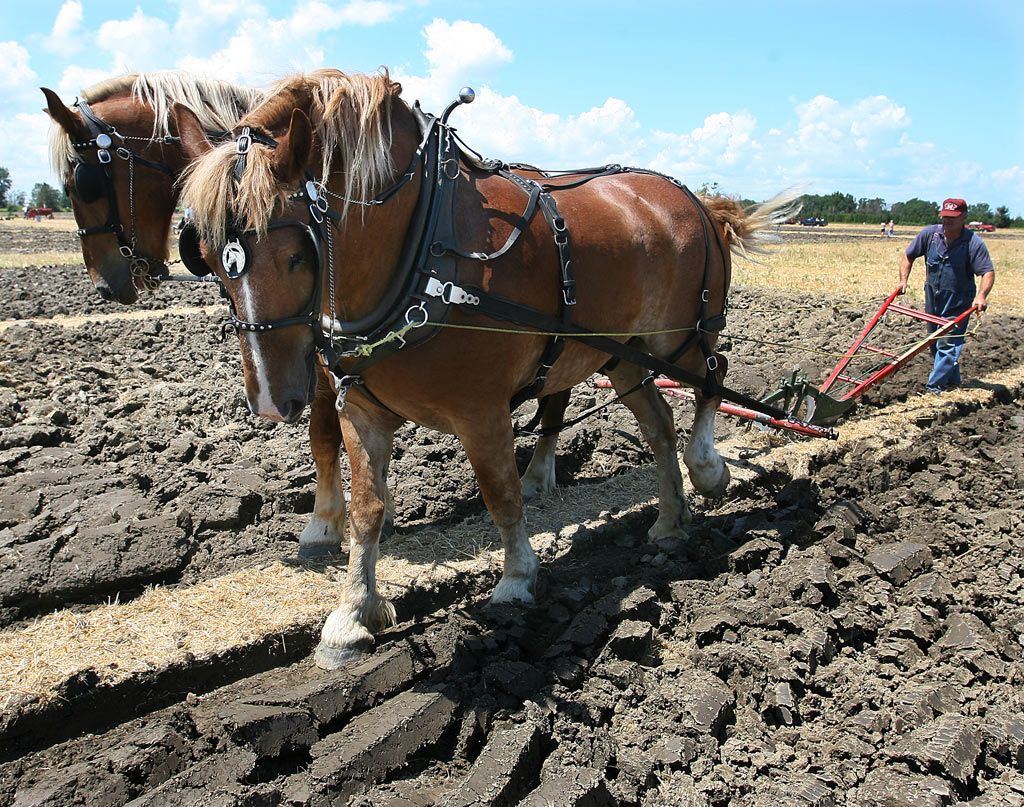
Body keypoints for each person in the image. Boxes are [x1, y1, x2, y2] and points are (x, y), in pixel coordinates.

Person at [897, 198, 995, 393]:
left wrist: (982, 295)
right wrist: (903, 280)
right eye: (945, 217)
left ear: (964, 217)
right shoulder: (929, 235)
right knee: (934, 339)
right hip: (933, 295)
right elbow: (909, 256)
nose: (948, 221)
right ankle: (952, 380)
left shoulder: (973, 243)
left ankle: (934, 388)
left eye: (953, 218)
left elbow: (987, 272)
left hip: (959, 299)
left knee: (949, 342)